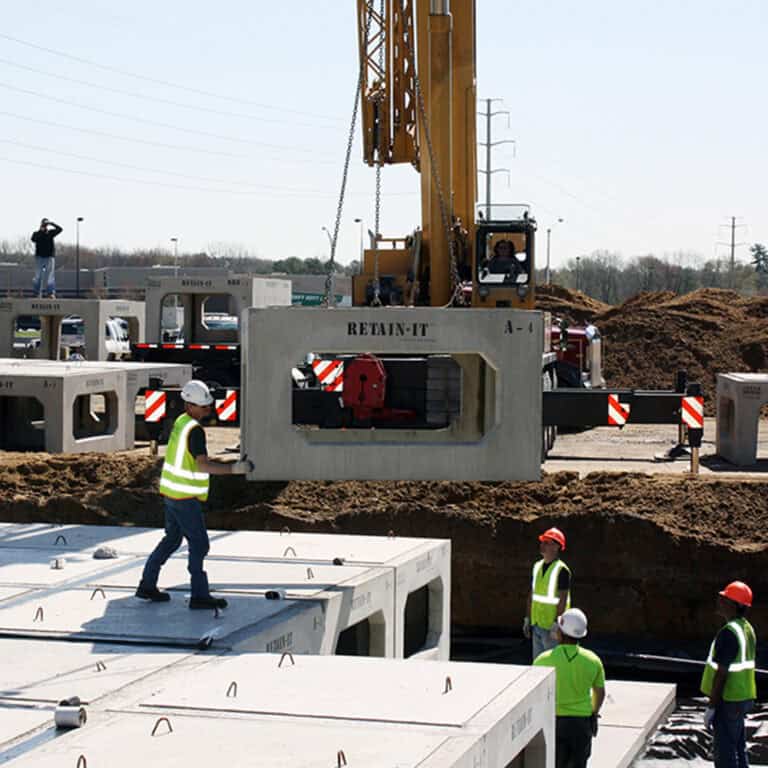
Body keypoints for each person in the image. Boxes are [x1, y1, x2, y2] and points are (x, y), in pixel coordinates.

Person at [136, 379, 253, 609]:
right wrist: (234, 469)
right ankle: (199, 595)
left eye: (208, 406)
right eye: (204, 406)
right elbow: (202, 465)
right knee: (199, 544)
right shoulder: (195, 431)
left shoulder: (181, 422)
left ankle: (147, 585)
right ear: (190, 405)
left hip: (171, 492)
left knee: (171, 540)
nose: (208, 410)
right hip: (184, 497)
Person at [534, 608, 605, 768]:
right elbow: (599, 692)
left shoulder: (542, 660)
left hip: (555, 722)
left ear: (560, 632)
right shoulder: (593, 661)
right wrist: (594, 713)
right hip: (581, 723)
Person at [700, 581, 756, 768]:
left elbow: (722, 673)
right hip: (743, 696)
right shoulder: (746, 628)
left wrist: (712, 706)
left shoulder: (729, 633)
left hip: (729, 699)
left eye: (724, 598)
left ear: (733, 604)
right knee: (738, 748)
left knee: (725, 755)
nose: (719, 601)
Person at [523, 526, 571, 660]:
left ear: (557, 547)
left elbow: (563, 599)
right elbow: (532, 595)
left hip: (552, 629)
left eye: (547, 543)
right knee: (538, 665)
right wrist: (527, 618)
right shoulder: (537, 566)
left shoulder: (562, 570)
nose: (542, 545)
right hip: (537, 624)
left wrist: (557, 624)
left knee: (552, 666)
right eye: (542, 542)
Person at [31, 218, 62, 298]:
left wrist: (52, 223)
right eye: (44, 224)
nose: (45, 226)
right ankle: (36, 293)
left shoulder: (51, 233)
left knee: (50, 276)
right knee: (38, 276)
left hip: (49, 257)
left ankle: (50, 293)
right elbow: (33, 239)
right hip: (39, 258)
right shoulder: (37, 233)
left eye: (46, 225)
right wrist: (41, 230)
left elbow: (60, 229)